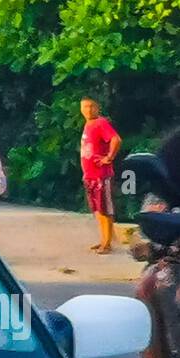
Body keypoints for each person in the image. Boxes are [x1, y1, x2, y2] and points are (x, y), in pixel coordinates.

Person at [80, 97, 122, 254]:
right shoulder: (88, 124)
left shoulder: (100, 123)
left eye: (92, 106)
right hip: (90, 176)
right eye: (85, 106)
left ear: (98, 107)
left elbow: (116, 139)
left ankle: (107, 244)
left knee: (105, 209)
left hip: (101, 176)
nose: (88, 110)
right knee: (97, 210)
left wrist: (109, 157)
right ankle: (103, 240)